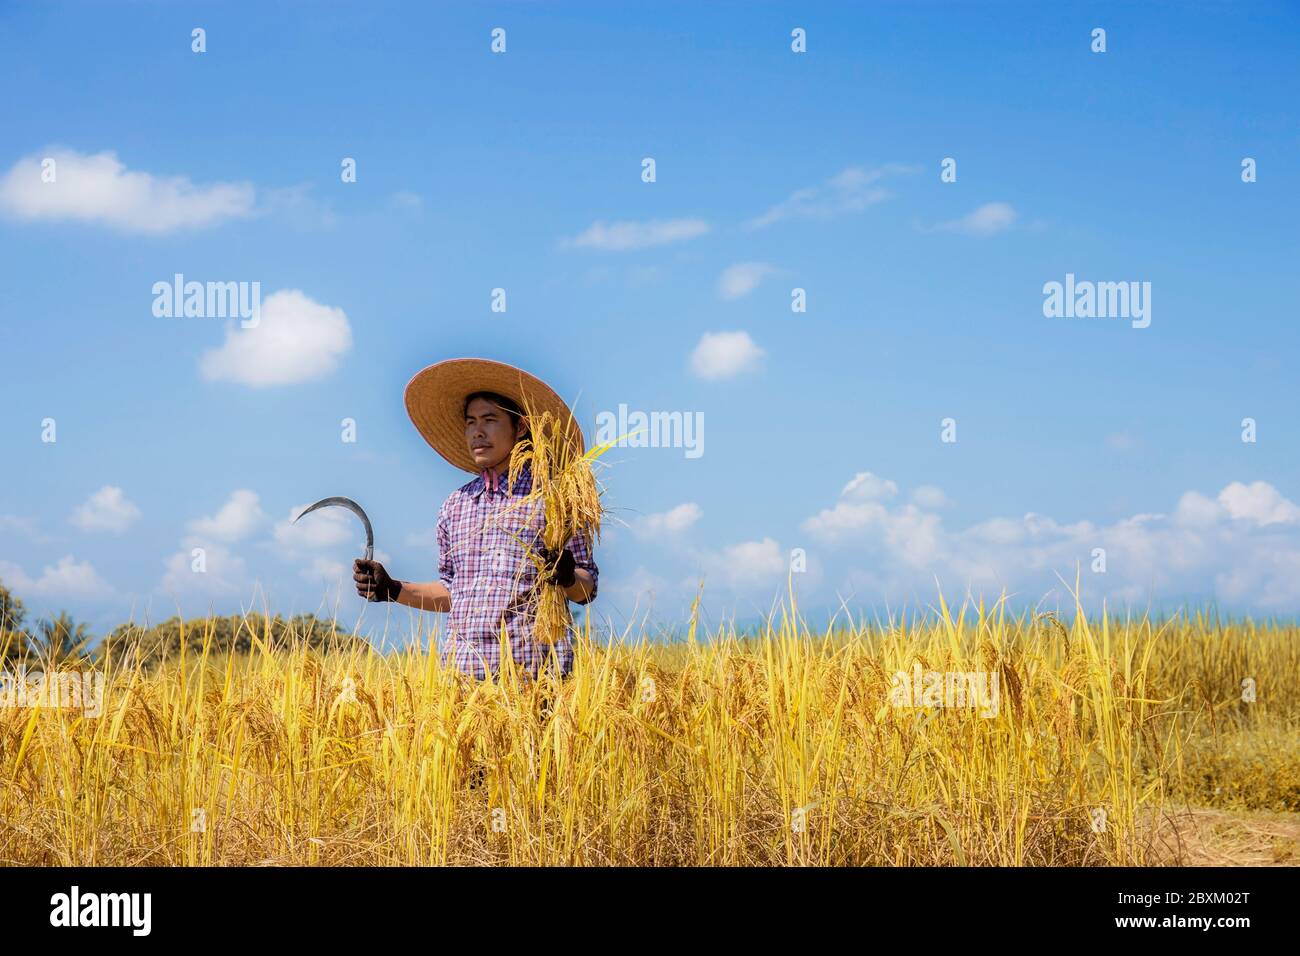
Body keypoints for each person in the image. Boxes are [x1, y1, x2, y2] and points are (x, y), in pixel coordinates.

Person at [353, 358, 598, 682]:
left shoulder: (556, 500)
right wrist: (393, 589)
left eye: (489, 419)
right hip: (463, 680)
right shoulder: (455, 507)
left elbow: (587, 589)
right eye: (470, 422)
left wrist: (566, 575)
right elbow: (453, 592)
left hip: (536, 678)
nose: (477, 431)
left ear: (521, 426)